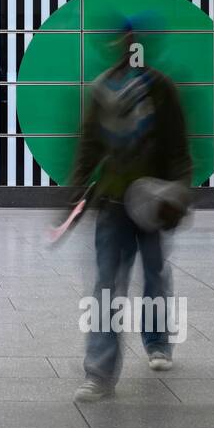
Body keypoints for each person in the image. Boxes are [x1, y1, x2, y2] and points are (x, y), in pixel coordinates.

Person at [66, 21, 192, 403]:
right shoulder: (103, 90)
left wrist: (177, 195)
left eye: (128, 44)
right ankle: (99, 374)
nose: (123, 51)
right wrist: (77, 194)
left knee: (153, 274)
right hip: (114, 205)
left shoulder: (160, 89)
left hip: (154, 205)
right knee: (106, 286)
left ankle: (158, 344)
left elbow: (177, 147)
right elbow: (89, 145)